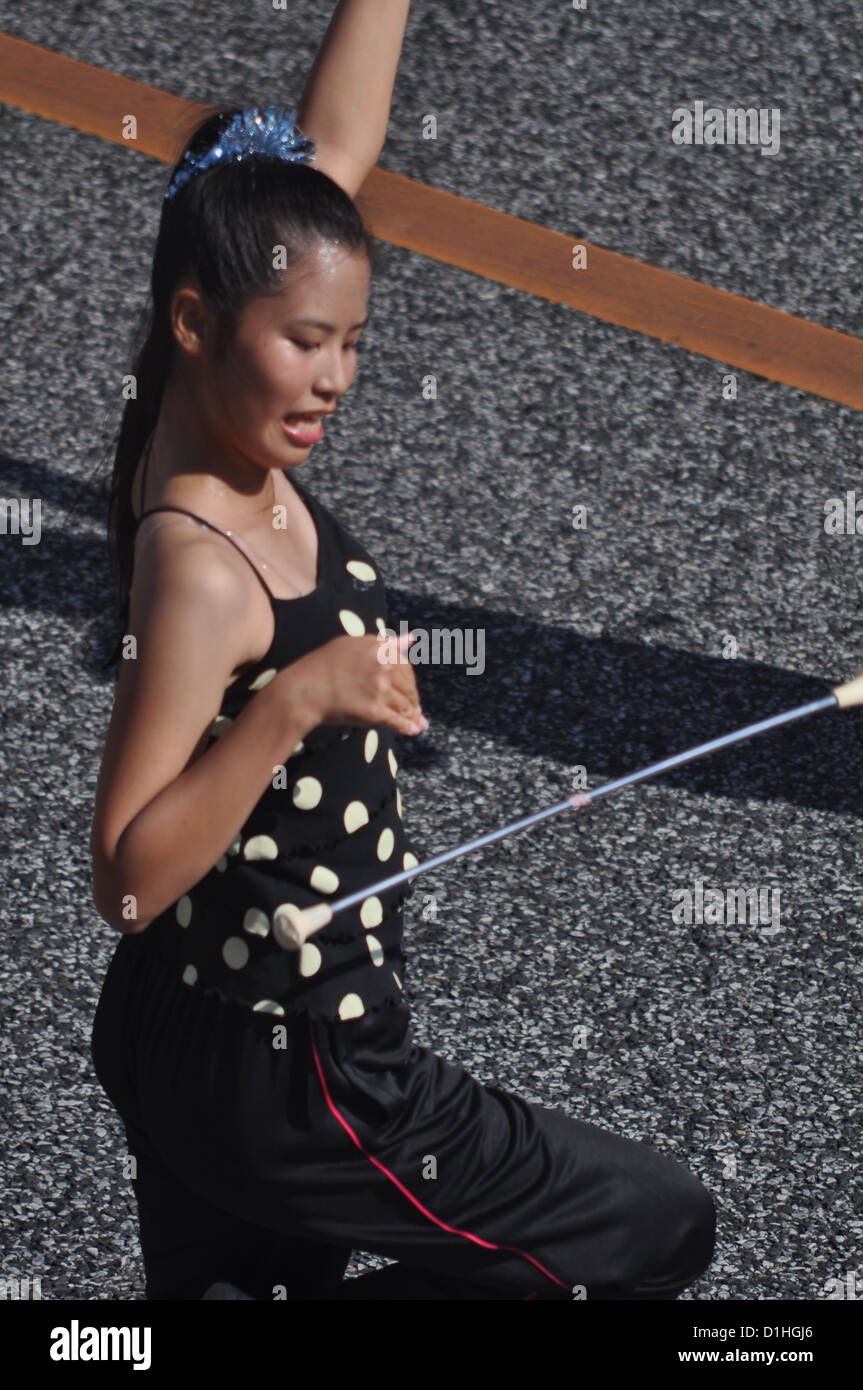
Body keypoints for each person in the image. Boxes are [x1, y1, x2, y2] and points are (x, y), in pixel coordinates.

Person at [89, 0, 716, 1300]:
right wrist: (295, 703)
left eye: (354, 343)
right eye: (306, 342)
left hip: (191, 1019)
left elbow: (327, 157)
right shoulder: (201, 566)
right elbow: (126, 879)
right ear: (201, 322)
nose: (333, 378)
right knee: (648, 1225)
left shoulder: (209, 344)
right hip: (299, 1062)